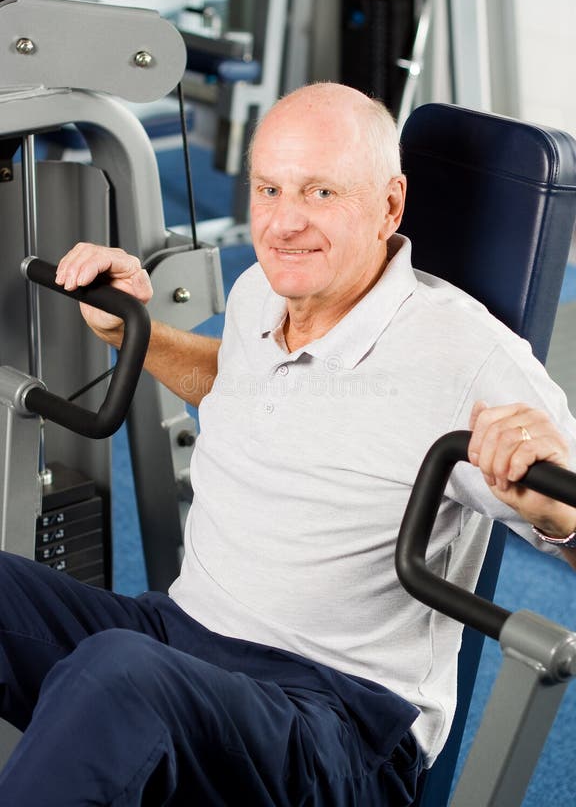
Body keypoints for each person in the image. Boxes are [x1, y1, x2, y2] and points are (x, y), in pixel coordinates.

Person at [1, 82, 575, 806]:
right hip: (183, 632)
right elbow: (234, 382)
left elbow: (565, 502)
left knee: (117, 678)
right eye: (268, 188)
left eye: (321, 192)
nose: (283, 222)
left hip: (336, 716)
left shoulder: (472, 358)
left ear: (390, 206)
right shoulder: (262, 291)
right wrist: (128, 334)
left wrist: (556, 515)